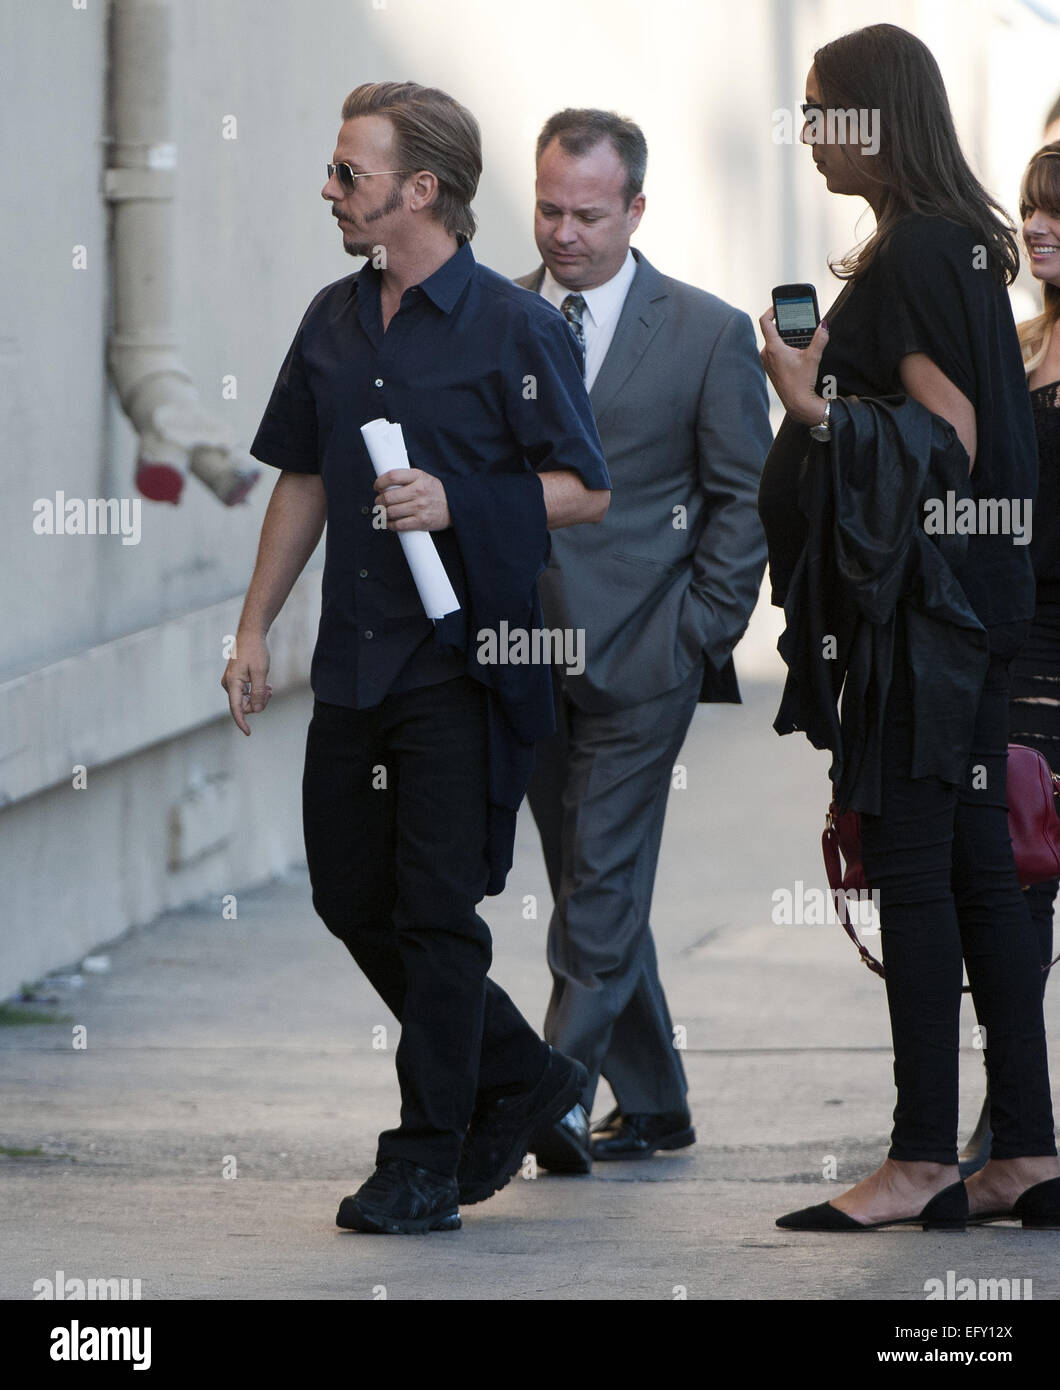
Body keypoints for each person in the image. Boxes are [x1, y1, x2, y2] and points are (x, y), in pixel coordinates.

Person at [221, 81, 611, 1234]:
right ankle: (522, 1069)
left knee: (439, 913)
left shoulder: (517, 327)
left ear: (422, 191)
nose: (330, 190)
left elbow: (587, 488)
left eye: (351, 173)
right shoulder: (332, 322)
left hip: (464, 663)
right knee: (352, 895)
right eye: (335, 169)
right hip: (353, 662)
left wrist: (461, 500)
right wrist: (252, 626)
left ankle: (426, 1155)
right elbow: (300, 476)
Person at [758, 24, 1060, 1230]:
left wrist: (815, 412)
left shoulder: (921, 255)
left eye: (822, 108)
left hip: (929, 632)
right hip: (965, 619)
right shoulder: (949, 249)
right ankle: (1028, 1150)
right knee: (980, 871)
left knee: (920, 873)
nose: (809, 129)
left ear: (873, 120)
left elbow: (955, 442)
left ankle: (925, 1153)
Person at [516, 109, 770, 1170]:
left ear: (636, 209)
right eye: (547, 209)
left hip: (646, 653)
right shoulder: (496, 312)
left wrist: (700, 629)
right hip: (519, 653)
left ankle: (550, 1096)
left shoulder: (707, 333)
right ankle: (656, 1100)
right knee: (588, 880)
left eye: (587, 213)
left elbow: (744, 497)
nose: (563, 233)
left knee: (603, 878)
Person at [958, 140, 1060, 1168]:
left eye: (1059, 213)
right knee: (1010, 877)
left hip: (1055, 656)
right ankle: (1016, 1112)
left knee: (1018, 874)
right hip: (1006, 642)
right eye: (1033, 209)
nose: (1037, 227)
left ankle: (1014, 1121)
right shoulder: (1019, 342)